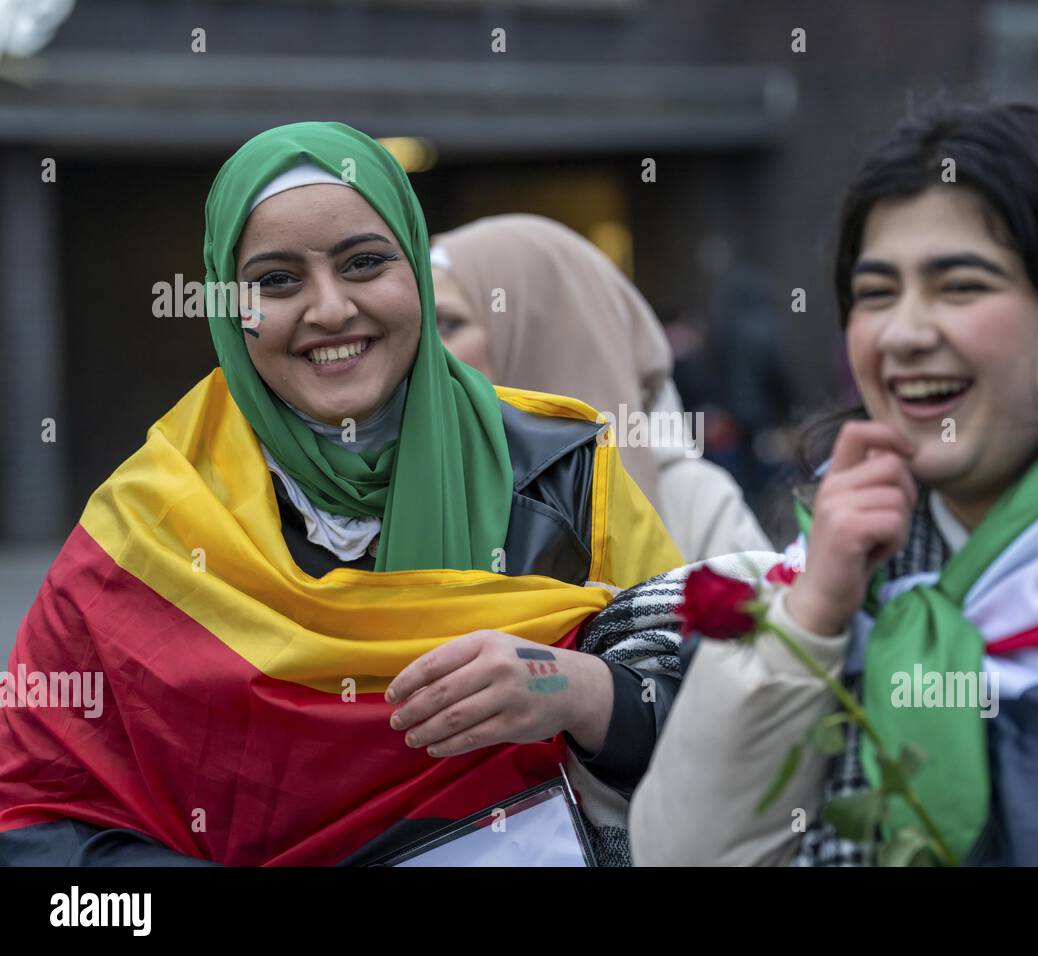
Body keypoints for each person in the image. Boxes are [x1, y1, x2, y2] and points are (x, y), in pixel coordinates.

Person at [627, 103, 1038, 866]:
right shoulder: (835, 570)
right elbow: (680, 854)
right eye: (877, 293)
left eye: (961, 287)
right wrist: (812, 614)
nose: (906, 334)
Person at [0, 122, 683, 867]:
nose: (329, 310)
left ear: (416, 272)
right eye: (277, 281)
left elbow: (723, 723)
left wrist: (580, 692)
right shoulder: (149, 517)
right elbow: (37, 814)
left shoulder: (568, 470)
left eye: (364, 264)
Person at [429, 213, 772, 561]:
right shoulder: (411, 494)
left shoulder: (693, 502)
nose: (426, 350)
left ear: (542, 336)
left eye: (446, 324)